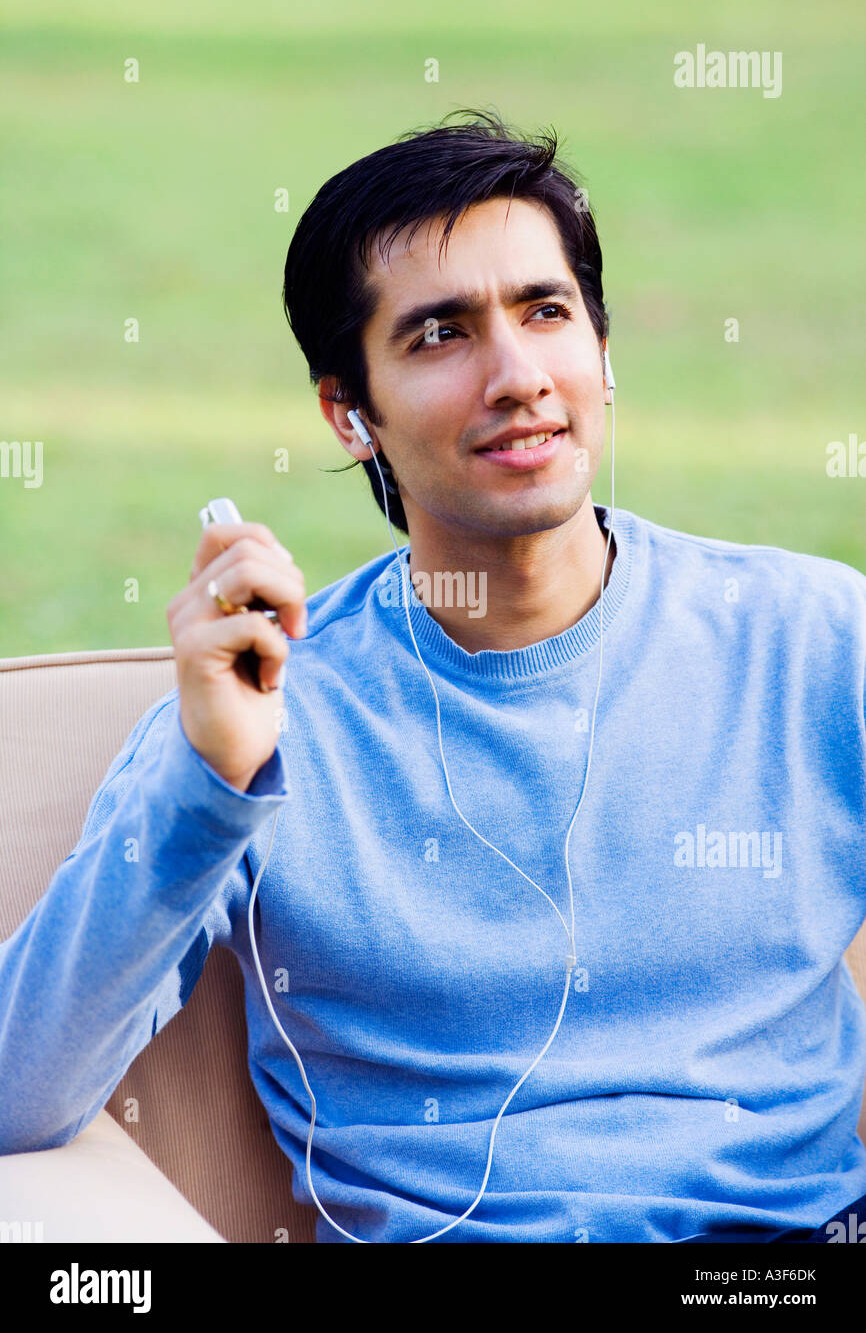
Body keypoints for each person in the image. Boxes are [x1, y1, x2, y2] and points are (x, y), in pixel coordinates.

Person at [1, 112, 865, 1245]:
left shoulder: (812, 639)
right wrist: (211, 774)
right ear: (346, 414)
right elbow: (21, 1088)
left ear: (603, 353)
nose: (517, 377)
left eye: (545, 312)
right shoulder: (264, 710)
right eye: (439, 334)